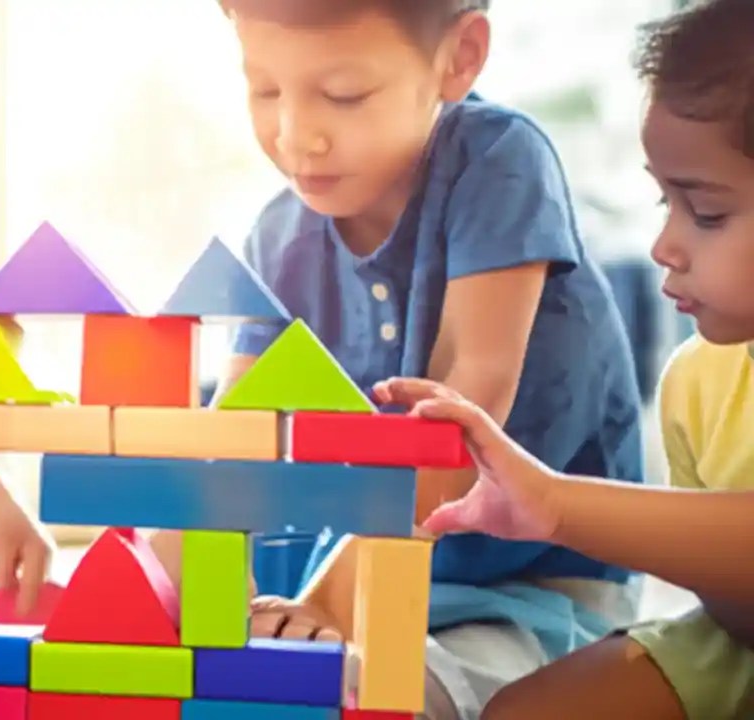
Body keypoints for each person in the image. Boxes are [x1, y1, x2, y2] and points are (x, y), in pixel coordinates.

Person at [152, 1, 646, 718]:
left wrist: (326, 608)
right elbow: (234, 451)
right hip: (330, 577)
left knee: (368, 693)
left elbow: (461, 418)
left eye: (344, 95)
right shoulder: (280, 237)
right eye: (264, 89)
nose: (296, 136)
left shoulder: (498, 163)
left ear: (460, 57)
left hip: (520, 592)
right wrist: (168, 597)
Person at [372, 1, 754, 717]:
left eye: (705, 214)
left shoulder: (500, 164)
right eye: (663, 201)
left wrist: (553, 503)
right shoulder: (696, 381)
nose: (664, 246)